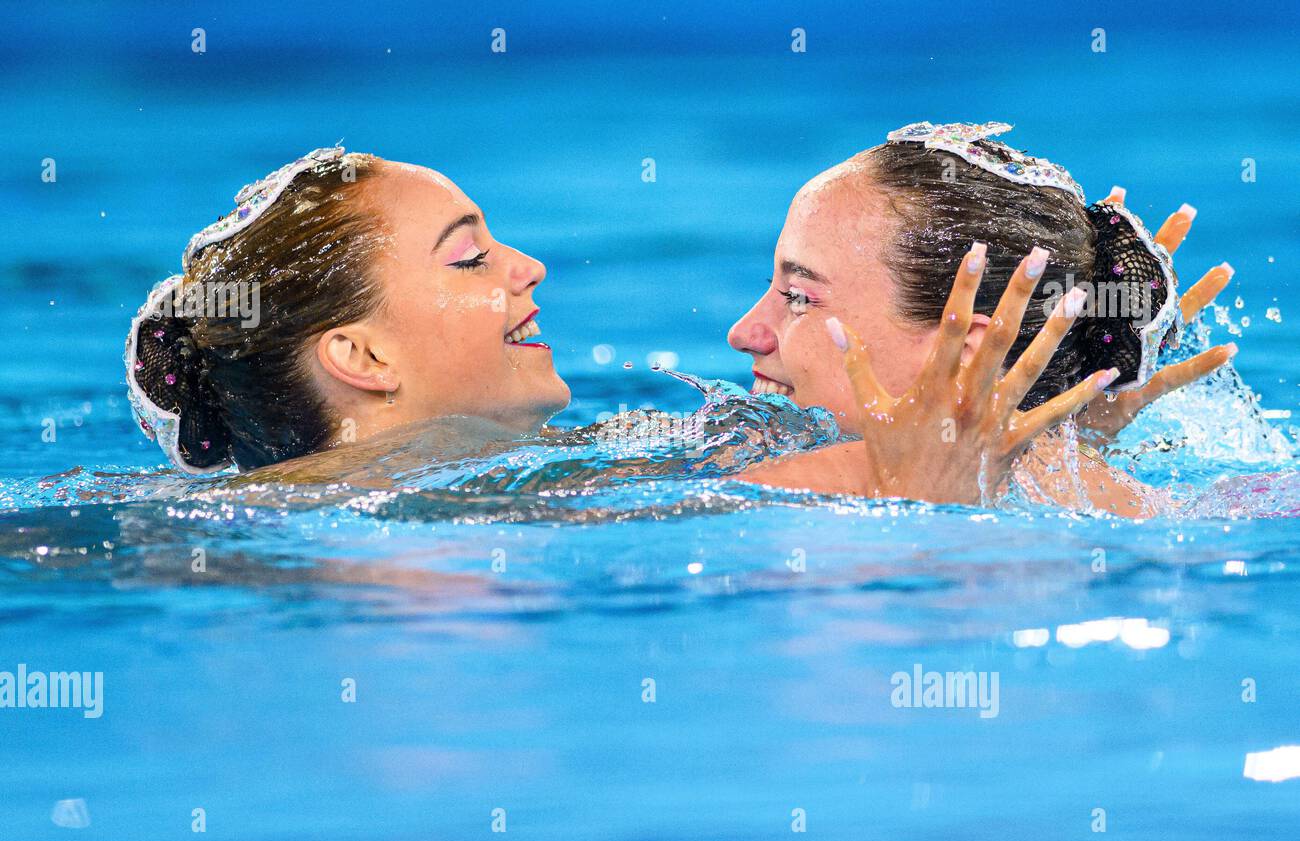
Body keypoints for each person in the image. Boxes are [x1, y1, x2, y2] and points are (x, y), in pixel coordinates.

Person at [124, 139, 1222, 509]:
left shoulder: (587, 464)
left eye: (798, 293)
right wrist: (910, 483)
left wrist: (1042, 430)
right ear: (358, 356)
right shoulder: (304, 526)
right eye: (469, 255)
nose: (528, 266)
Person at [727, 121, 1236, 514]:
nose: (744, 333)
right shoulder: (1153, 512)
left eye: (799, 298)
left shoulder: (776, 494)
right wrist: (1069, 435)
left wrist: (911, 508)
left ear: (967, 350)